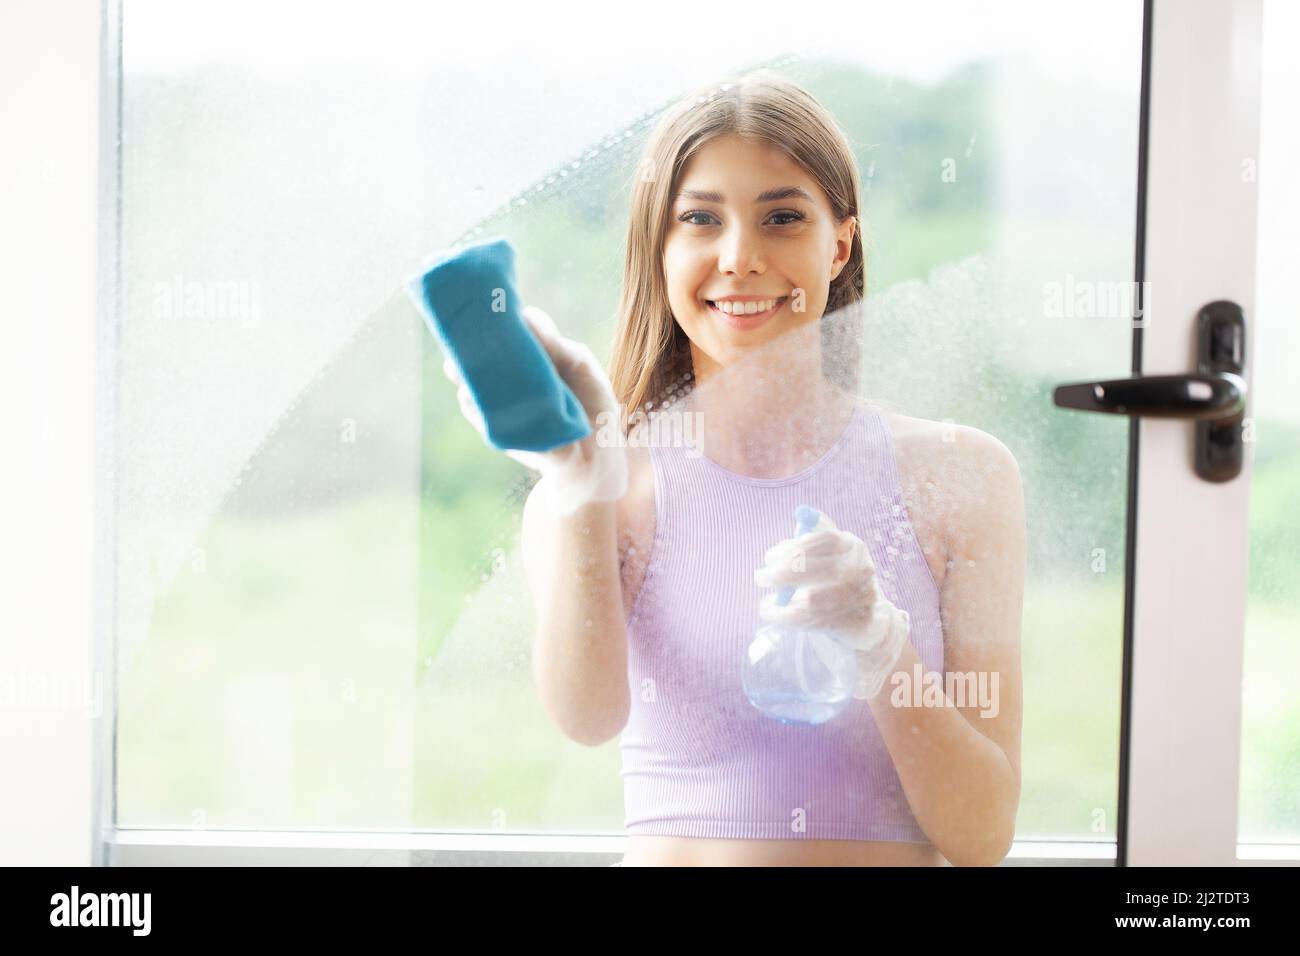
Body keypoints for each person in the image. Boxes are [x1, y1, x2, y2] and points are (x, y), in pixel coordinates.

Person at [444, 71, 1025, 866]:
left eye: (783, 217)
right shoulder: (600, 489)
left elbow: (983, 834)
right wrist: (582, 486)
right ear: (661, 248)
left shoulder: (962, 476)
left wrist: (883, 646)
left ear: (840, 243)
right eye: (700, 220)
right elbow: (586, 715)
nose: (740, 257)